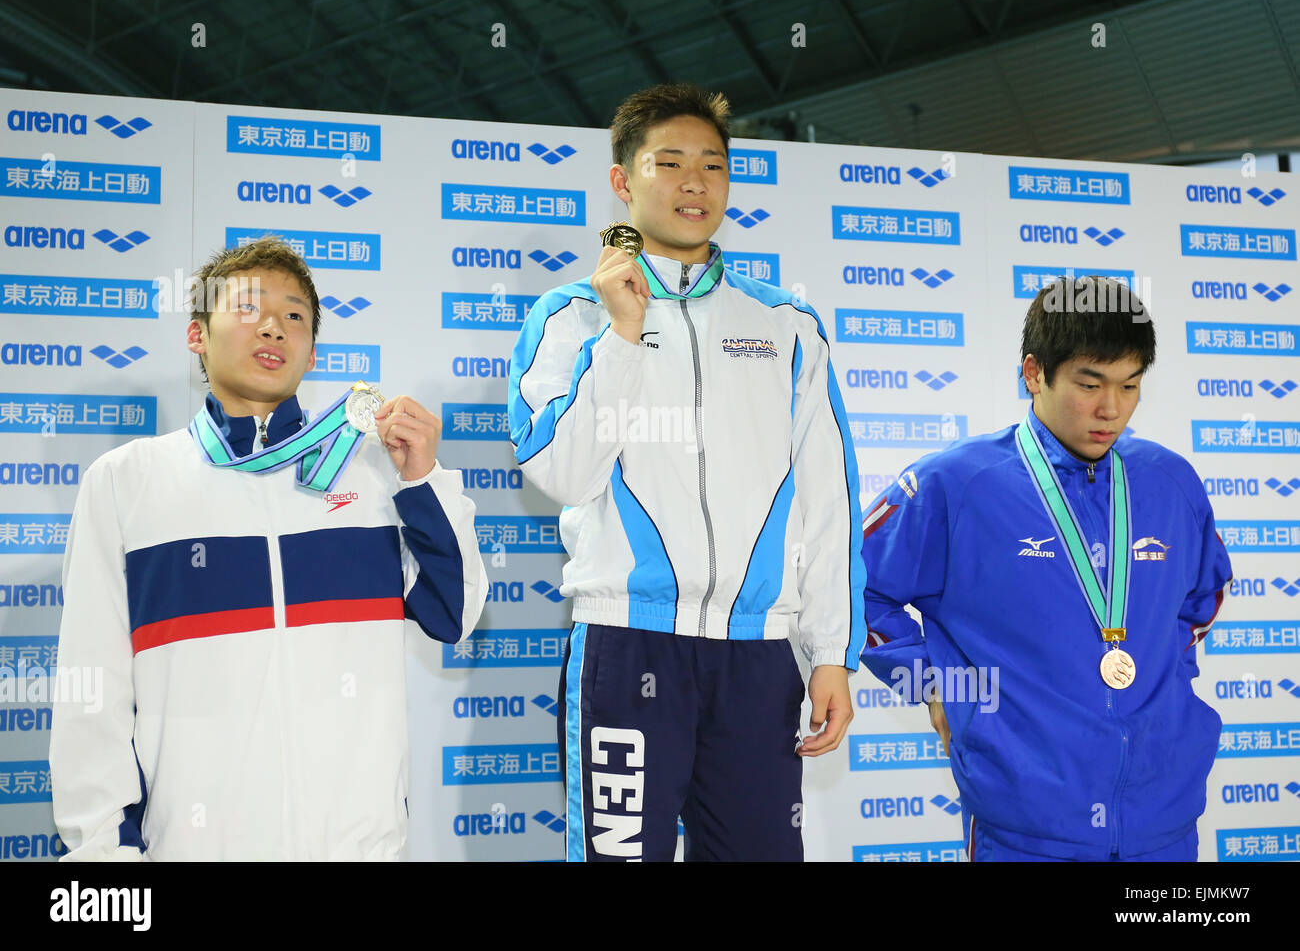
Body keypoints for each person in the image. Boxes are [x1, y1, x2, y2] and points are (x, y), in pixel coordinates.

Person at [508, 83, 867, 861]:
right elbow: (563, 473)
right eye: (668, 162)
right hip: (627, 642)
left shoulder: (786, 325)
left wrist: (831, 653)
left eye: (712, 164)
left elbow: (828, 500)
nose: (693, 182)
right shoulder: (571, 317)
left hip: (759, 654)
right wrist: (624, 336)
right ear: (622, 179)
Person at [50, 236, 488, 860]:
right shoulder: (128, 480)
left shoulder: (370, 472)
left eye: (293, 317)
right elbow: (92, 688)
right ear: (196, 335)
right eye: (248, 307)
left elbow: (454, 614)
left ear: (312, 355)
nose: (273, 328)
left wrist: (424, 479)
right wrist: (104, 854)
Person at [859, 276, 1232, 862]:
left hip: (1166, 821)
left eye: (1130, 386)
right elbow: (855, 591)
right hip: (1024, 825)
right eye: (1090, 384)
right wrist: (940, 688)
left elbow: (1206, 593)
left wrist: (1167, 680)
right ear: (1034, 373)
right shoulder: (957, 484)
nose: (1111, 409)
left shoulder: (1171, 480)